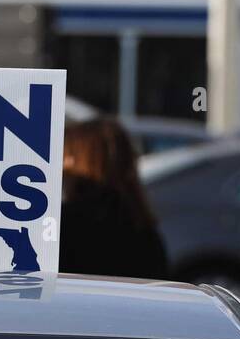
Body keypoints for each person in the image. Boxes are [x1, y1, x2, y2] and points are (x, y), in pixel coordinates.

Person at [59, 117, 168, 279]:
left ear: (80, 162)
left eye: (66, 157)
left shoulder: (64, 225)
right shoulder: (142, 228)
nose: (62, 167)